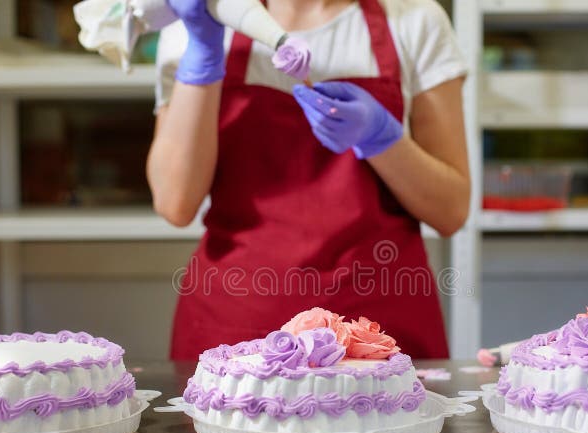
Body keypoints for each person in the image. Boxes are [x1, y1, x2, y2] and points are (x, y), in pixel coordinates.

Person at [147, 0, 470, 361]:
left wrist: (382, 138)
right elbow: (175, 202)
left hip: (379, 332)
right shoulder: (199, 19)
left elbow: (451, 210)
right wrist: (203, 54)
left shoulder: (413, 19)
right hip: (237, 330)